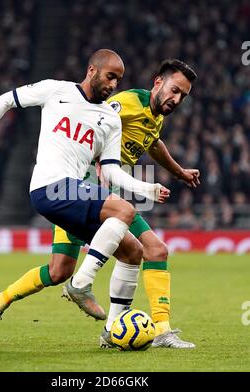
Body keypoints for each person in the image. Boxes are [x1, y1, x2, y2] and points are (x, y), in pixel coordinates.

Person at [0, 49, 170, 342]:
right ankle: (82, 283)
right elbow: (6, 100)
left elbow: (112, 171)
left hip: (77, 196)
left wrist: (146, 188)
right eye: (110, 76)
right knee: (123, 211)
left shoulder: (110, 120)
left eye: (119, 80)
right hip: (49, 187)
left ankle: (1, 302)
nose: (114, 85)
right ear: (92, 71)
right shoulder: (55, 90)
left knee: (126, 253)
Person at [56, 59, 200, 349]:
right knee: (149, 250)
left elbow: (153, 143)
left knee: (60, 268)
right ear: (158, 82)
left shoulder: (154, 114)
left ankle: (3, 301)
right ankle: (145, 328)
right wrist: (95, 158)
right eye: (174, 90)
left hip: (111, 187)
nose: (177, 99)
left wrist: (179, 172)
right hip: (92, 186)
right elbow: (95, 119)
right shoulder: (130, 102)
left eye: (183, 96)